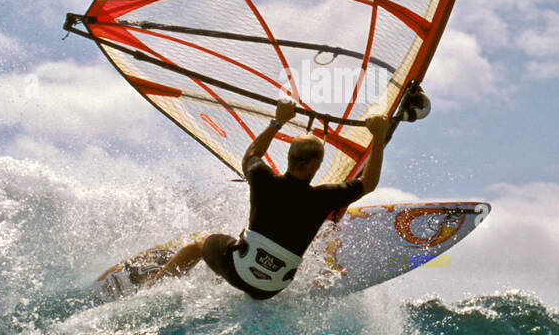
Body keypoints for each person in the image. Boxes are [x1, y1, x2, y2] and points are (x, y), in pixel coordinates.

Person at [149, 99, 390, 299]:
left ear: (289, 157)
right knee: (250, 252)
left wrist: (278, 122)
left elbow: (252, 154)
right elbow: (369, 183)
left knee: (200, 243)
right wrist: (378, 137)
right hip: (271, 289)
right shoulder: (324, 197)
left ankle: (153, 287)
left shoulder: (262, 178)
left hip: (238, 270)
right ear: (316, 165)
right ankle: (228, 282)